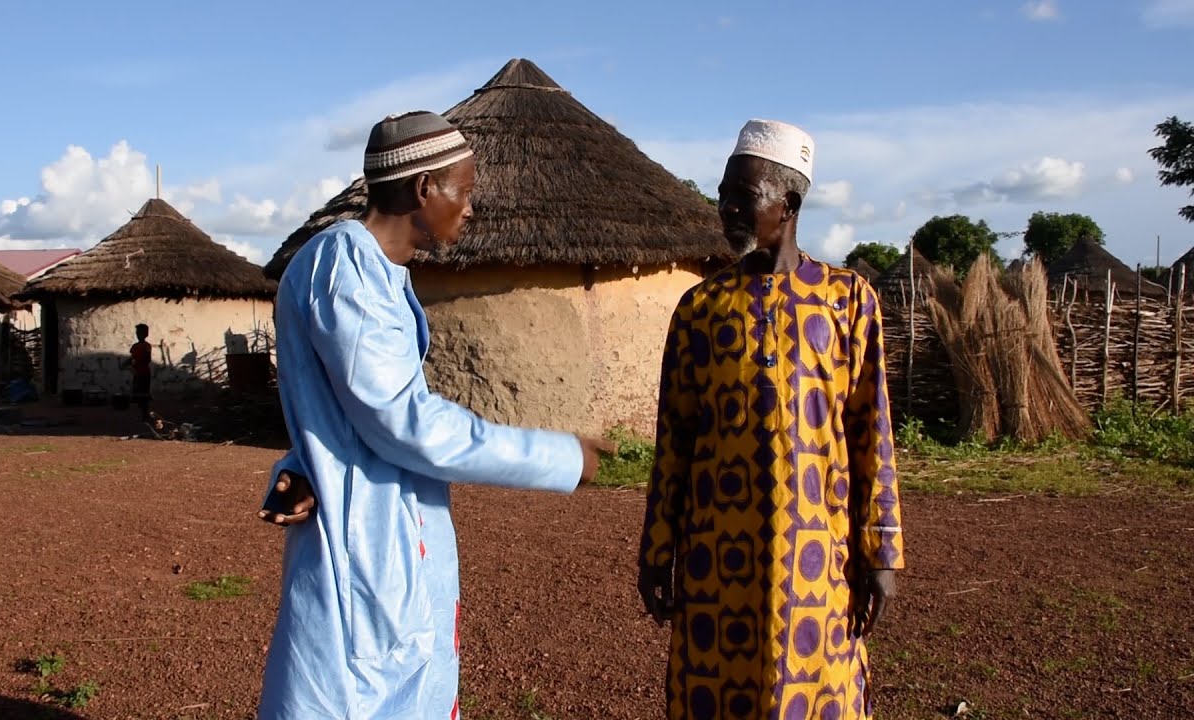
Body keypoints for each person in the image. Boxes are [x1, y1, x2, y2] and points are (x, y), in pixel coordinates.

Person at [255, 110, 613, 720]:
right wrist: (555, 456)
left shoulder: (376, 274)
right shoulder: (345, 266)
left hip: (389, 533)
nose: (470, 209)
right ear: (424, 188)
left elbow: (351, 409)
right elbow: (402, 421)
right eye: (463, 191)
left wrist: (304, 464)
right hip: (364, 542)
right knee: (353, 695)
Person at [636, 119, 905, 719]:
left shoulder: (848, 301)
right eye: (723, 193)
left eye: (744, 195)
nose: (726, 207)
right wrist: (657, 549)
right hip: (715, 558)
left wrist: (882, 552)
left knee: (817, 692)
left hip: (820, 556)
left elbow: (873, 435)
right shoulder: (701, 309)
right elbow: (674, 441)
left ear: (789, 205)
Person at [129, 323, 151, 420]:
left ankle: (145, 414)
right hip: (137, 372)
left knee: (144, 394)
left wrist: (136, 363)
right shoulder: (135, 346)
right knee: (138, 393)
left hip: (144, 373)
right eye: (137, 333)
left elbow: (147, 359)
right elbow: (132, 358)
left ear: (146, 334)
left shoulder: (146, 346)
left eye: (140, 333)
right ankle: (143, 413)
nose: (138, 335)